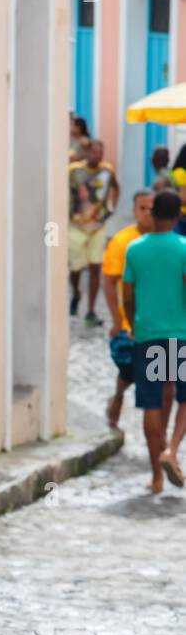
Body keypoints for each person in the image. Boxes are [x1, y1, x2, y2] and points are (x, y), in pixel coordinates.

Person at [122, 187, 186, 492]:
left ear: (154, 214)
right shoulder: (184, 248)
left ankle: (157, 477)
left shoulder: (135, 249)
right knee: (183, 397)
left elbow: (127, 295)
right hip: (180, 335)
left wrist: (134, 324)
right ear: (177, 215)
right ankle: (171, 450)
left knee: (152, 402)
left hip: (147, 334)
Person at [101, 188, 154, 428]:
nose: (147, 214)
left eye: (151, 209)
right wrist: (115, 318)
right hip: (128, 323)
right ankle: (119, 396)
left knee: (159, 381)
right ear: (134, 211)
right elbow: (110, 282)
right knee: (129, 370)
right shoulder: (123, 242)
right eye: (142, 208)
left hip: (158, 325)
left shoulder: (169, 241)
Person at [69, 139, 119, 323]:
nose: (97, 155)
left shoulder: (107, 170)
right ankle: (76, 293)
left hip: (98, 225)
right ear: (87, 152)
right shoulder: (74, 171)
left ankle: (91, 310)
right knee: (75, 267)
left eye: (100, 152)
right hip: (76, 224)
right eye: (94, 152)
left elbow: (115, 186)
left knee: (95, 267)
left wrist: (111, 207)